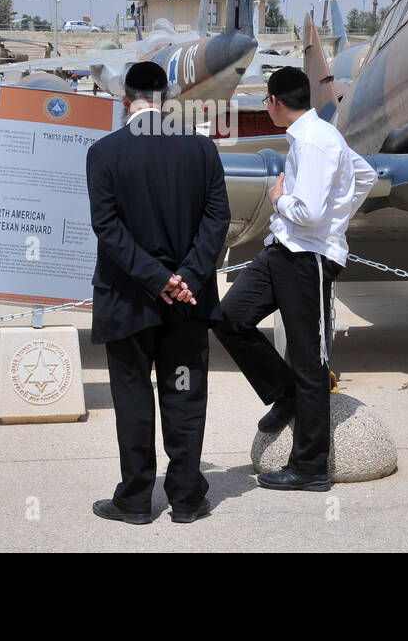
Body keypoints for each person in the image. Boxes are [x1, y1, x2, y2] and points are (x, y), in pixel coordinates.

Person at [213, 67, 376, 492]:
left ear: (275, 102)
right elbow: (365, 177)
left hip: (308, 258)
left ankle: (310, 468)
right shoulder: (315, 135)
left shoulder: (314, 141)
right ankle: (284, 393)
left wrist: (280, 199)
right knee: (230, 317)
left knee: (309, 359)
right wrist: (335, 215)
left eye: (266, 101)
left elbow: (311, 214)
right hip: (283, 250)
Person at [86, 62, 230, 524]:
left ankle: (134, 500)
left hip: (128, 299)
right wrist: (185, 276)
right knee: (184, 394)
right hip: (188, 301)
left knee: (132, 396)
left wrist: (155, 278)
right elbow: (217, 219)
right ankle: (186, 498)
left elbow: (107, 228)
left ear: (125, 100)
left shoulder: (104, 152)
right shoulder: (201, 148)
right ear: (167, 99)